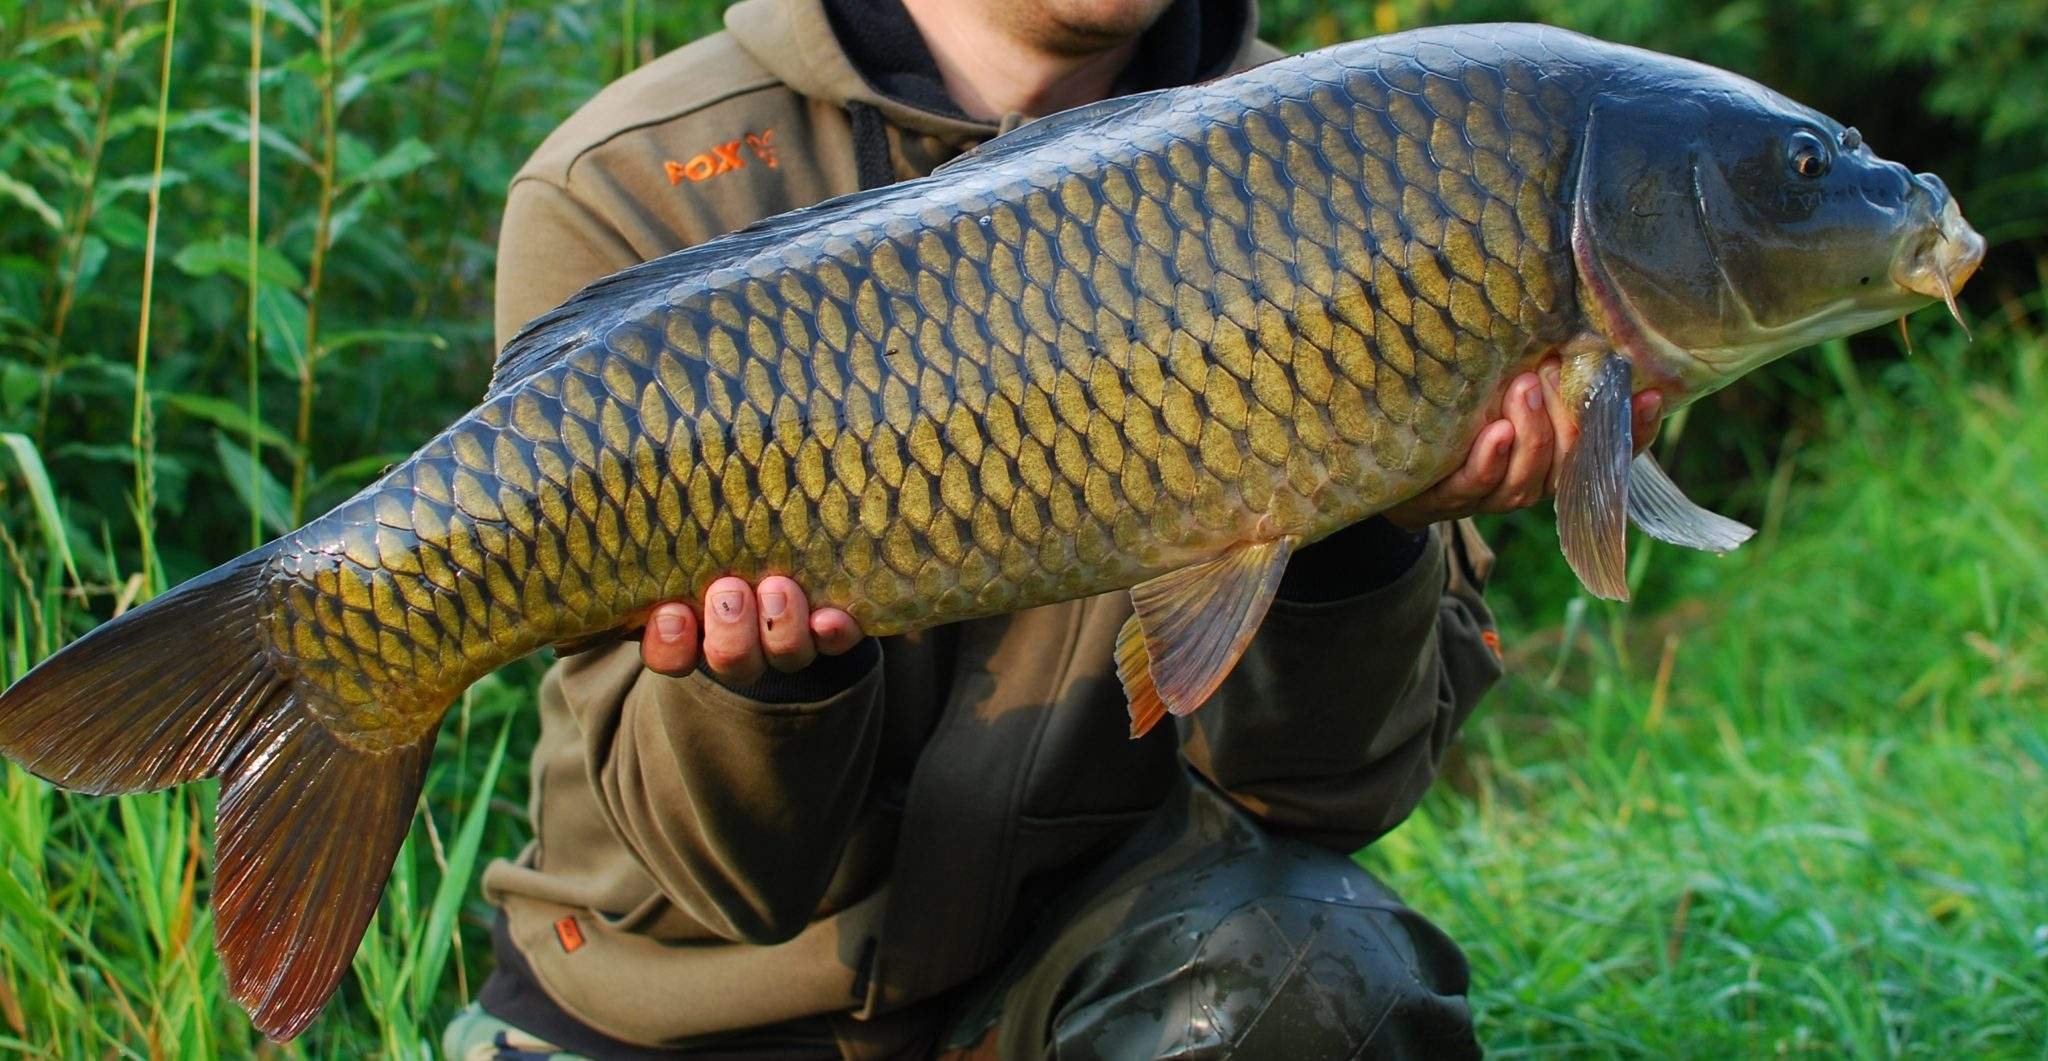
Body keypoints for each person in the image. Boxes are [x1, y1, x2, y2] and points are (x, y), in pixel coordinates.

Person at [445, 1, 1666, 1057]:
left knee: (1322, 971)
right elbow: (723, 882)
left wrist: (1355, 511)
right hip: (670, 1017)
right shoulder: (632, 176)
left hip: (1072, 991)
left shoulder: (1361, 147)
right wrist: (763, 692)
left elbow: (1322, 801)